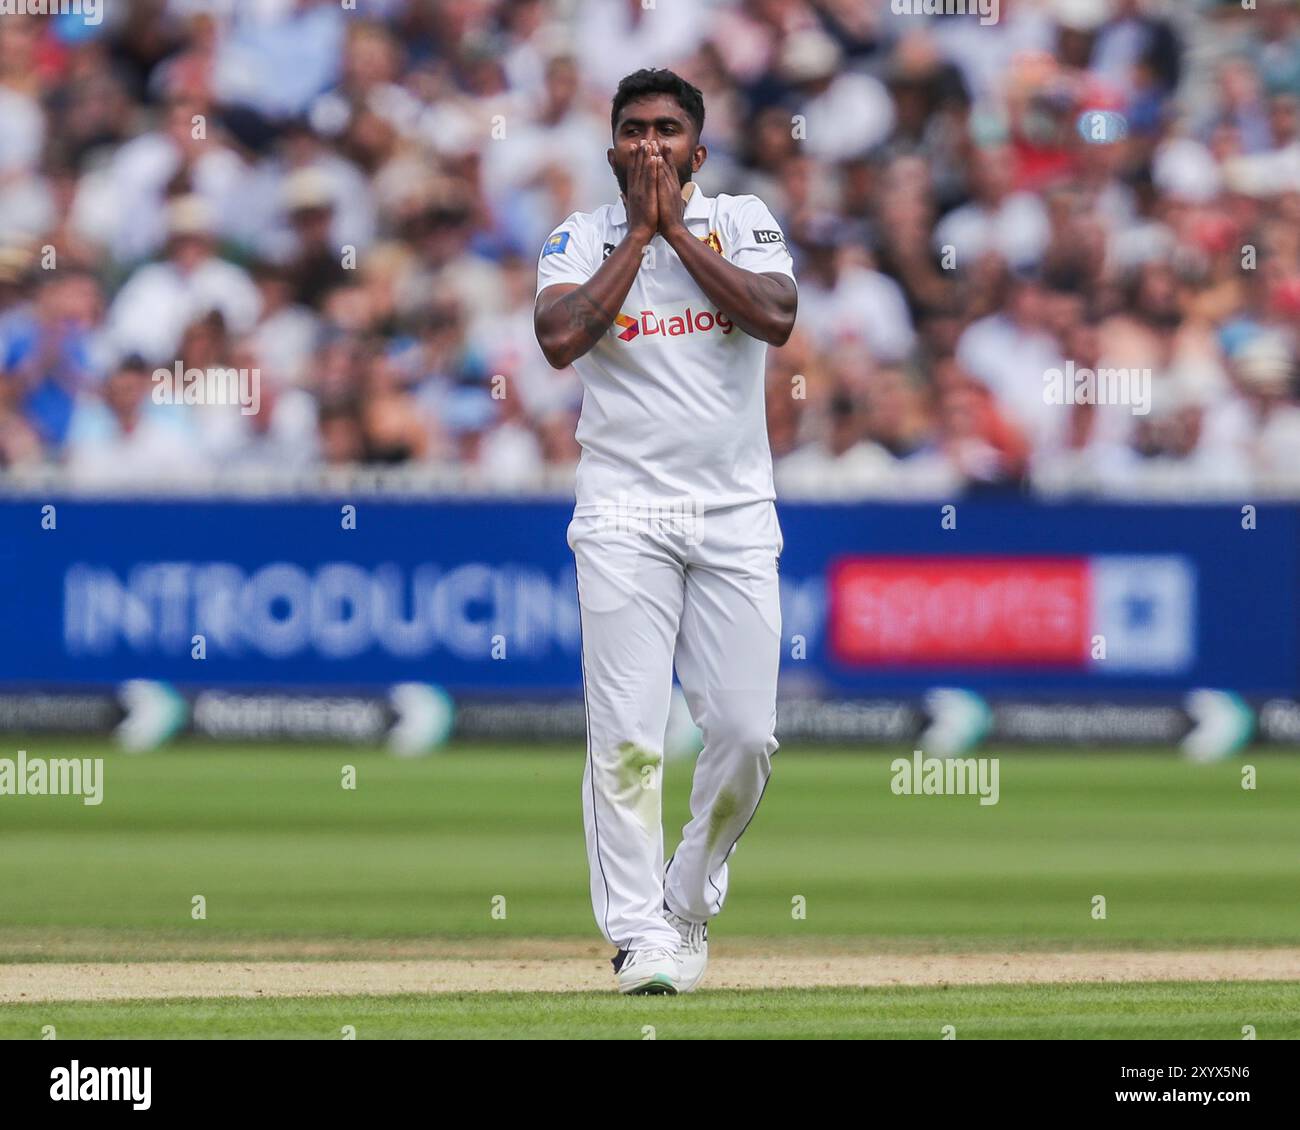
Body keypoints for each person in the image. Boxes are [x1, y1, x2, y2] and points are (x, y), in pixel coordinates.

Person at [533, 68, 796, 995]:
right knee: (629, 739)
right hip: (620, 513)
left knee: (746, 732)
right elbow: (560, 338)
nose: (651, 145)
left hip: (732, 511)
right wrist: (639, 235)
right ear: (612, 149)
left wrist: (675, 230)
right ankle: (640, 935)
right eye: (635, 130)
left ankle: (688, 895)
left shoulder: (743, 218)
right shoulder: (577, 238)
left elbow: (774, 316)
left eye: (668, 130)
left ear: (699, 149)